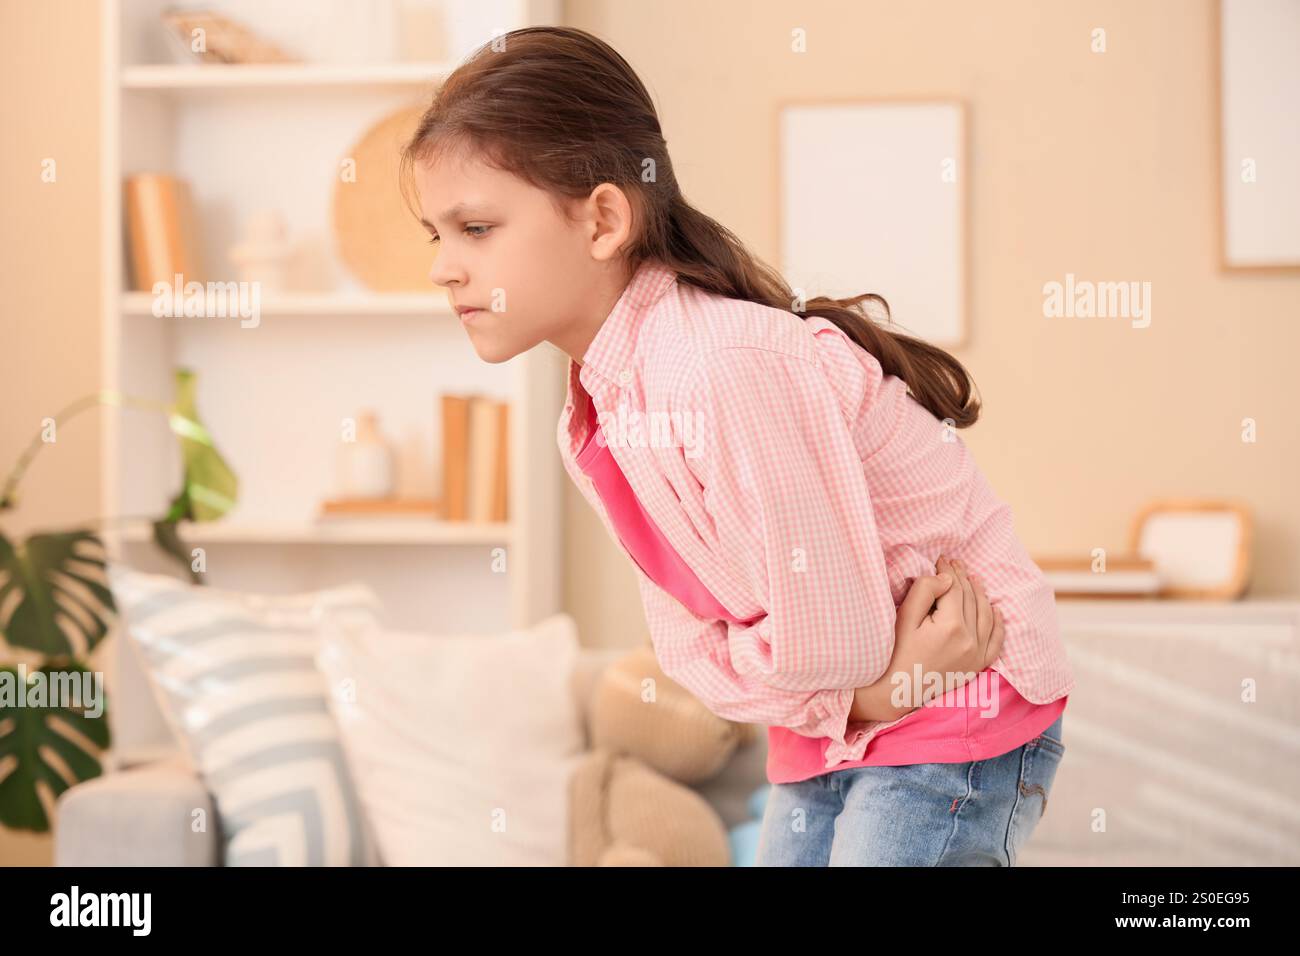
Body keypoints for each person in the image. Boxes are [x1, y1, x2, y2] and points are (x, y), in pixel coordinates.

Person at [400, 25, 1072, 866]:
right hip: (838, 722)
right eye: (437, 235)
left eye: (475, 228)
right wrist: (861, 689)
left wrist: (854, 678)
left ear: (604, 218)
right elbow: (691, 656)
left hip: (955, 701)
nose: (442, 269)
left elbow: (835, 639)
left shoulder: (720, 366)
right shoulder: (592, 422)